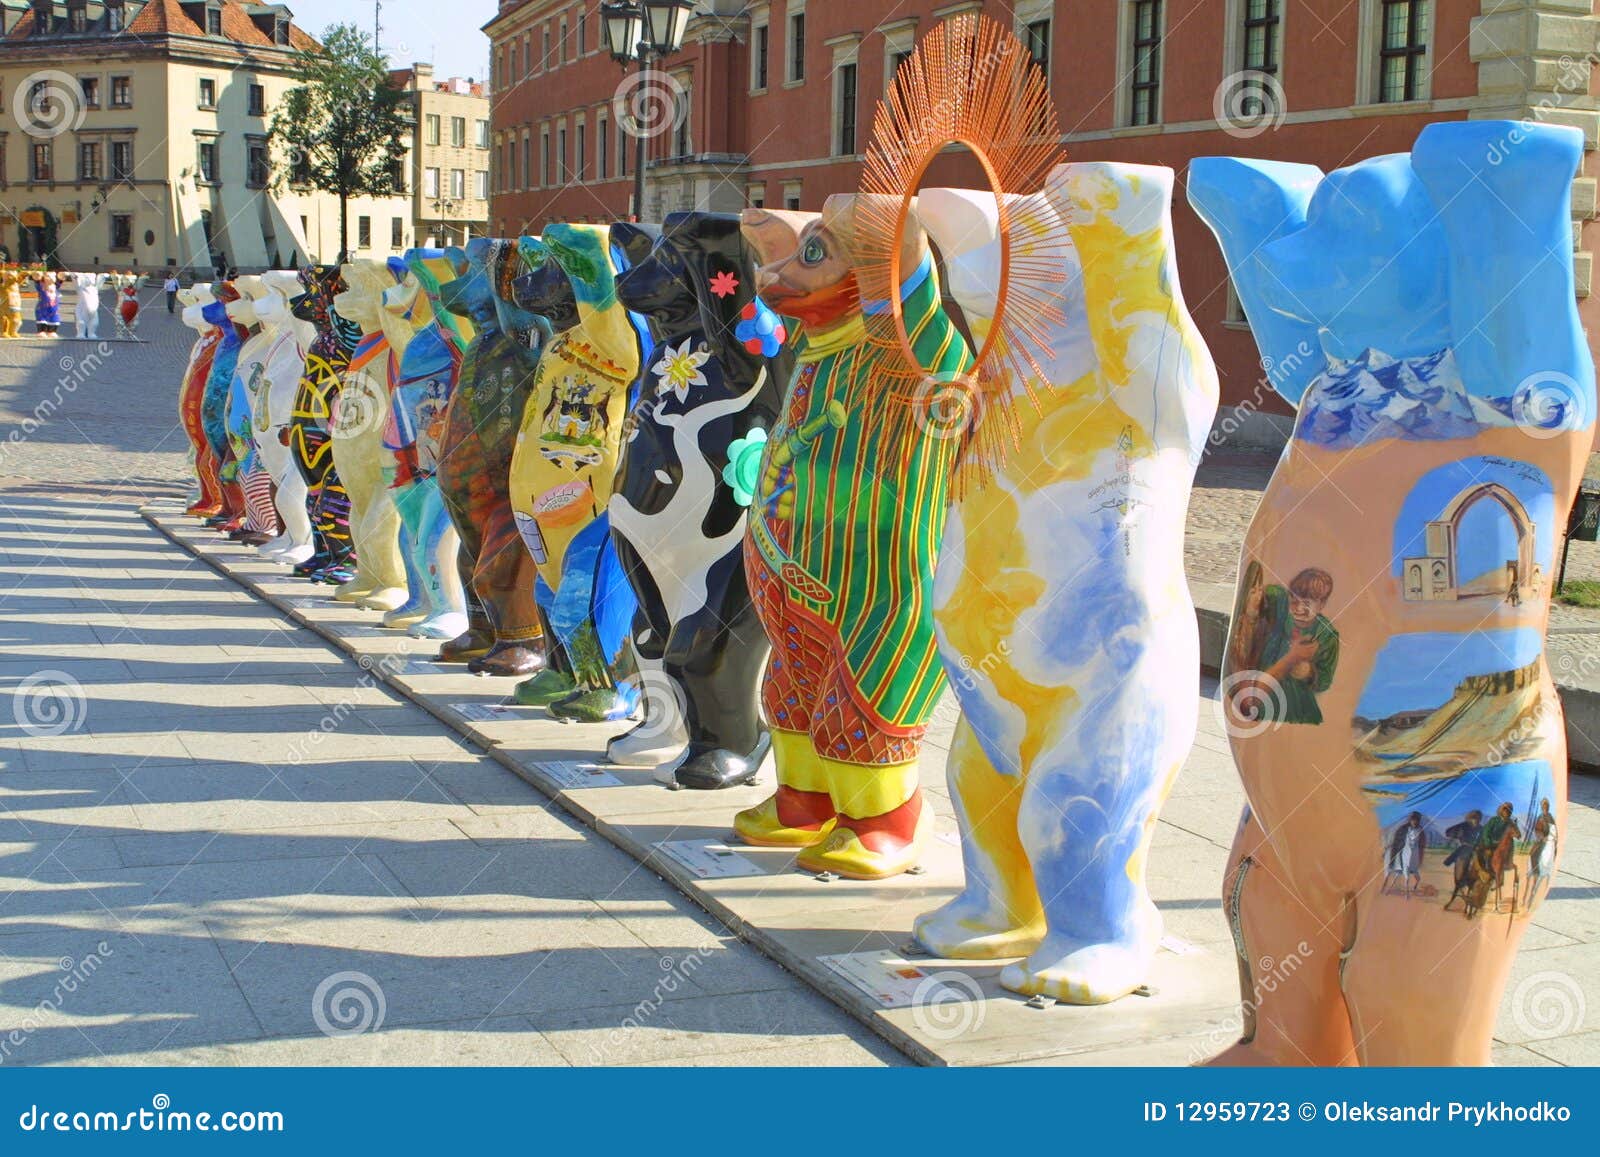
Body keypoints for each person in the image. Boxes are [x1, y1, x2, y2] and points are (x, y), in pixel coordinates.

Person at [1255, 567, 1340, 724]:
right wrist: (1260, 593)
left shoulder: (1327, 635)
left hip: (1298, 703)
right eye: (1294, 600)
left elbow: (1325, 680)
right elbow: (1274, 590)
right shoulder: (1281, 614)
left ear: (1321, 605)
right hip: (1267, 693)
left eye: (1306, 604)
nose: (1298, 608)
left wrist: (1309, 673)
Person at [1384, 811, 1427, 898]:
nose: (1415, 822)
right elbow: (1398, 837)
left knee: (1417, 860)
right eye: (1413, 820)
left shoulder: (1420, 829)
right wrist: (1400, 844)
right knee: (1396, 852)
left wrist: (1421, 847)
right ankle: (1392, 865)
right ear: (1410, 820)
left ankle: (1414, 868)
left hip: (1415, 849)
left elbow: (1423, 841)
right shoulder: (1404, 828)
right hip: (1401, 845)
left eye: (1416, 820)